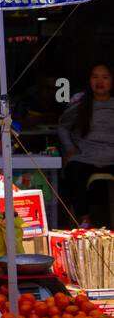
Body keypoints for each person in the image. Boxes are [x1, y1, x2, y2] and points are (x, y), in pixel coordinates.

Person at [59, 62, 114, 227]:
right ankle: (84, 219)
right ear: (89, 80)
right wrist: (69, 148)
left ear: (112, 81)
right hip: (86, 156)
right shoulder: (80, 103)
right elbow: (63, 126)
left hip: (112, 157)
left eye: (105, 77)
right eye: (95, 77)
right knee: (73, 168)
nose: (100, 81)